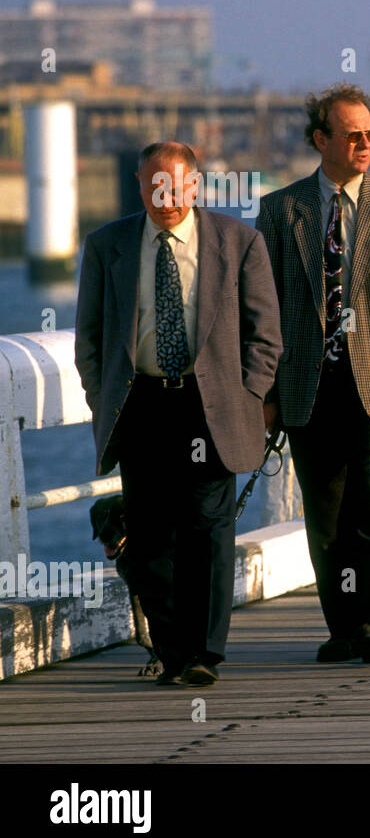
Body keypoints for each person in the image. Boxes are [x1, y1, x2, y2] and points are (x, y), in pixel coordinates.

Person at [75, 141, 282, 685]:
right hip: (139, 403)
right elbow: (90, 339)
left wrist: (248, 396)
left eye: (176, 184)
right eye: (154, 185)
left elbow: (266, 337)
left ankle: (204, 654)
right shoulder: (107, 246)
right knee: (148, 537)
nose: (165, 196)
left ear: (195, 187)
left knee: (208, 529)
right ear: (140, 186)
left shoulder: (238, 243)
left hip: (209, 403)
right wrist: (104, 400)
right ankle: (173, 650)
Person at [256, 84, 370, 665]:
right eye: (352, 135)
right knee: (326, 509)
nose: (364, 145)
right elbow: (264, 309)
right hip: (307, 383)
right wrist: (265, 395)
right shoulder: (281, 210)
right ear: (321, 140)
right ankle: (341, 626)